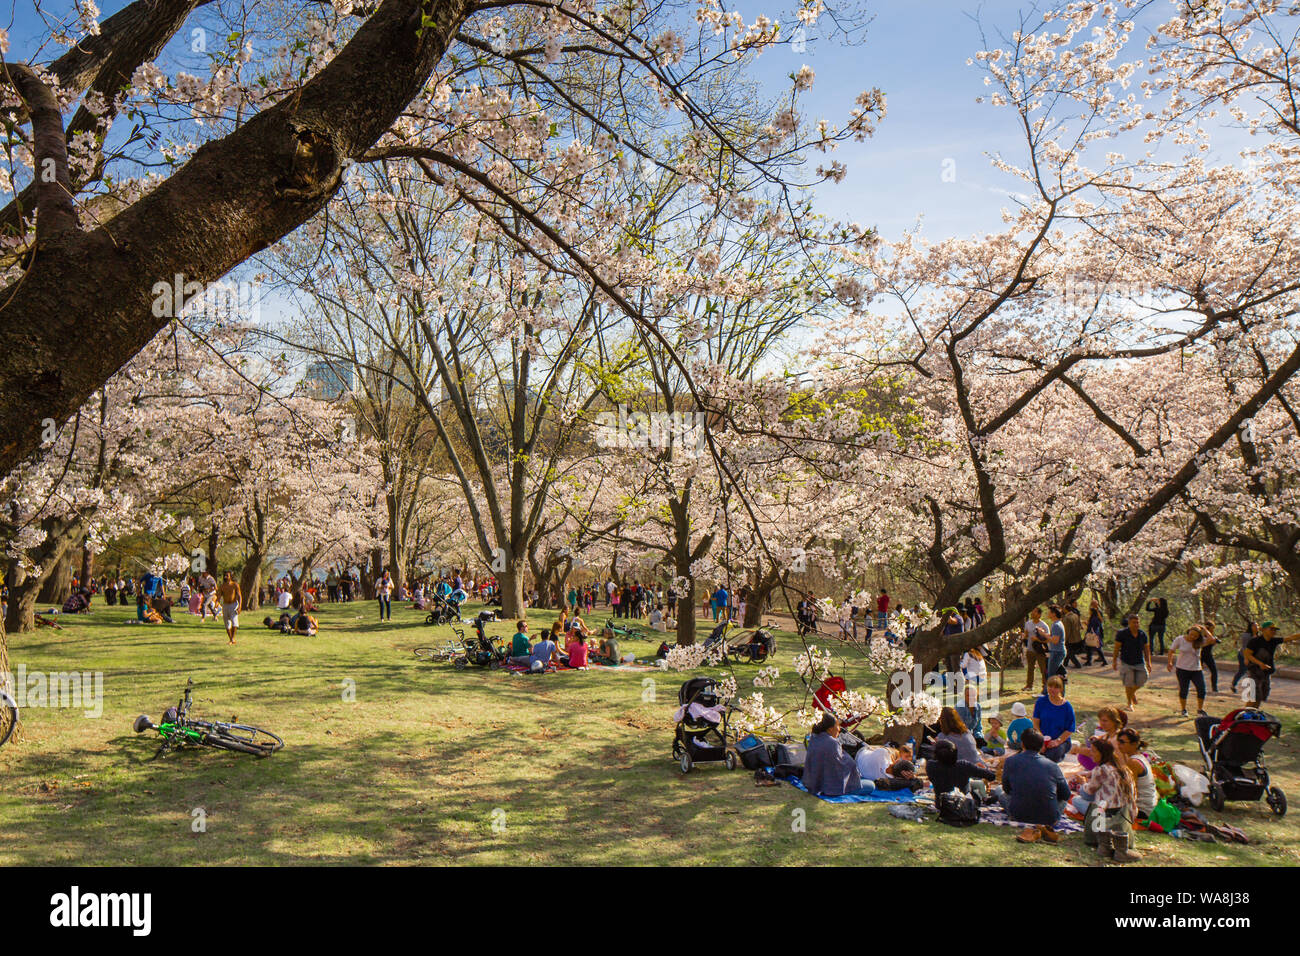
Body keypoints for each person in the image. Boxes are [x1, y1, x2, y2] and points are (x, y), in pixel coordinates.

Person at [996, 728, 1070, 843]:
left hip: (1018, 814)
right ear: (1041, 747)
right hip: (1049, 817)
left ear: (1022, 744)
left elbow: (1006, 789)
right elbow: (1066, 794)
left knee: (999, 792)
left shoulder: (1010, 761)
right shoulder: (1052, 765)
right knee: (1062, 802)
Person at [1078, 737, 1140, 862]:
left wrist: (1083, 783)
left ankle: (1104, 845)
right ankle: (1119, 847)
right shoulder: (1125, 770)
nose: (1091, 754)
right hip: (1124, 816)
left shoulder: (1101, 770)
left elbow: (1088, 792)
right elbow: (1133, 797)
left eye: (1094, 751)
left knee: (1078, 799)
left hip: (1102, 814)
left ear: (1103, 753)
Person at [803, 714, 868, 797]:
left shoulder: (813, 738)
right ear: (830, 729)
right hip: (831, 787)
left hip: (813, 783)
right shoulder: (832, 743)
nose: (839, 729)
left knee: (861, 779)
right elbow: (841, 766)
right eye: (837, 725)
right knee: (870, 785)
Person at [1243, 621, 1300, 705]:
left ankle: (1254, 714)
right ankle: (1246, 715)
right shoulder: (1255, 641)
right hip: (1254, 671)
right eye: (1271, 629)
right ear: (1264, 630)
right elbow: (1247, 654)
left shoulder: (1274, 641)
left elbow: (1290, 638)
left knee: (1263, 696)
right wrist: (1260, 663)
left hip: (1266, 673)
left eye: (1275, 630)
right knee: (1254, 696)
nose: (1274, 631)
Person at [925, 737, 996, 799]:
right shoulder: (963, 765)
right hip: (963, 805)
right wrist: (980, 768)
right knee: (977, 790)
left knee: (975, 785)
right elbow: (991, 776)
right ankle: (985, 799)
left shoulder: (931, 765)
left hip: (942, 805)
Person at [1167, 623, 1214, 717]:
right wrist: (1170, 662)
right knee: (1184, 690)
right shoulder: (1180, 639)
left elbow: (1211, 640)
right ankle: (1183, 709)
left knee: (1202, 689)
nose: (1192, 637)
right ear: (1188, 632)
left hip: (1196, 669)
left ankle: (1200, 710)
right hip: (1182, 669)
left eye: (1195, 636)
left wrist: (1204, 629)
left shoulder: (1199, 642)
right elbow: (1171, 651)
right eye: (1191, 634)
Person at [1115, 728, 1157, 822]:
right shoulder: (1140, 757)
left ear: (1134, 744)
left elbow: (1128, 790)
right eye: (1118, 741)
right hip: (1148, 806)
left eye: (1122, 742)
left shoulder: (1133, 762)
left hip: (1141, 810)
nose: (1118, 745)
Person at [1113, 613, 1152, 711]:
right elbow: (1117, 648)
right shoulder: (1122, 634)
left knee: (1144, 678)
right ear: (1129, 623)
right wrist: (1114, 661)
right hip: (1126, 662)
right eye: (1134, 622)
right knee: (1128, 683)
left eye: (1138, 622)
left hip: (1139, 661)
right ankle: (1129, 703)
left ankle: (1132, 692)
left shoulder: (1142, 634)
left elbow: (1146, 649)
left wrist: (1149, 662)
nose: (1136, 624)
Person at [1032, 676, 1076, 762]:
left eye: (1056, 687)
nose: (1052, 689)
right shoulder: (1041, 702)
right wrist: (1041, 740)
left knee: (1052, 755)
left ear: (1061, 689)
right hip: (1042, 739)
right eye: (1050, 686)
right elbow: (1035, 723)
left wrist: (1057, 742)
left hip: (1061, 741)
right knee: (1029, 750)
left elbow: (1070, 729)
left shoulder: (1067, 707)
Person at [1021, 607, 1050, 692]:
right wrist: (1023, 636)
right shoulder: (1028, 623)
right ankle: (1029, 685)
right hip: (1030, 649)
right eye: (1032, 612)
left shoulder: (1044, 625)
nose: (1032, 613)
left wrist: (1037, 639)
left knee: (1043, 669)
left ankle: (1045, 686)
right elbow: (1026, 635)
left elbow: (1047, 638)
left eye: (1034, 612)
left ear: (1039, 614)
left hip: (1040, 650)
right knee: (1030, 668)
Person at [1232, 621, 1258, 694]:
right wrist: (1246, 659)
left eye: (1257, 626)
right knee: (1242, 671)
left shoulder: (1257, 636)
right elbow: (1245, 648)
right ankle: (1233, 685)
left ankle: (1253, 689)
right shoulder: (1246, 636)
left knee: (1253, 672)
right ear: (1250, 627)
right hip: (1244, 656)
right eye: (1254, 626)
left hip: (1252, 657)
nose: (1256, 627)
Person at [218, 571, 241, 645]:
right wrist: (216, 603)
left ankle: (232, 638)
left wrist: (240, 606)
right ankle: (231, 639)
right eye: (224, 575)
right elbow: (219, 596)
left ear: (231, 576)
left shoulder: (235, 585)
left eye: (227, 575)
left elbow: (239, 596)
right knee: (227, 624)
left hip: (233, 605)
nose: (225, 577)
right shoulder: (222, 586)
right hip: (225, 605)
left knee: (234, 622)